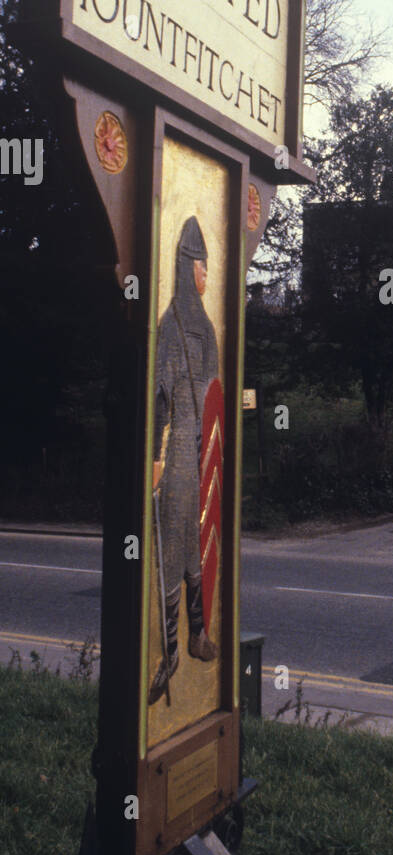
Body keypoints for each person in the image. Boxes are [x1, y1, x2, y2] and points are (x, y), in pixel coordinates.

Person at [148, 216, 220, 706]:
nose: (207, 275)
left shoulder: (207, 330)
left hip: (201, 452)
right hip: (176, 455)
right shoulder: (170, 327)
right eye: (202, 266)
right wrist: (155, 454)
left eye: (209, 267)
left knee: (196, 542)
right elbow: (158, 398)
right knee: (173, 545)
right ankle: (169, 651)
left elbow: (214, 391)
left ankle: (198, 634)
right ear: (185, 266)